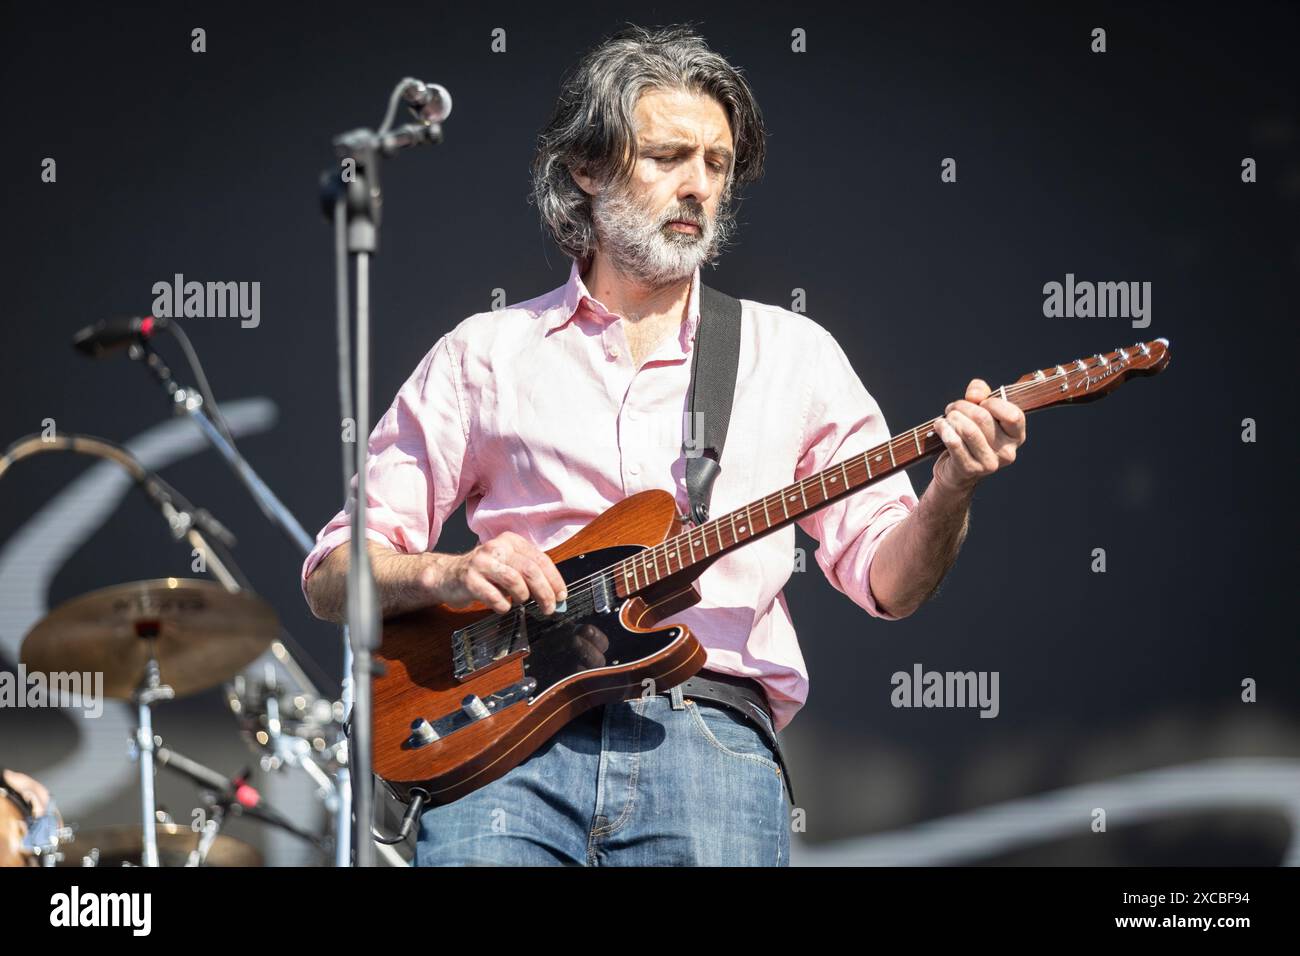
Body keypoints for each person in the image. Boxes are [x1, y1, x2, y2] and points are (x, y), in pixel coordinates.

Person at [302, 24, 1027, 866]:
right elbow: (331, 575)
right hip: (502, 751)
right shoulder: (486, 353)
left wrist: (951, 490)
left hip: (708, 743)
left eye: (716, 165)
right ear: (588, 167)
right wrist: (451, 571)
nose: (698, 187)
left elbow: (889, 584)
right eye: (667, 156)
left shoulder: (792, 354)